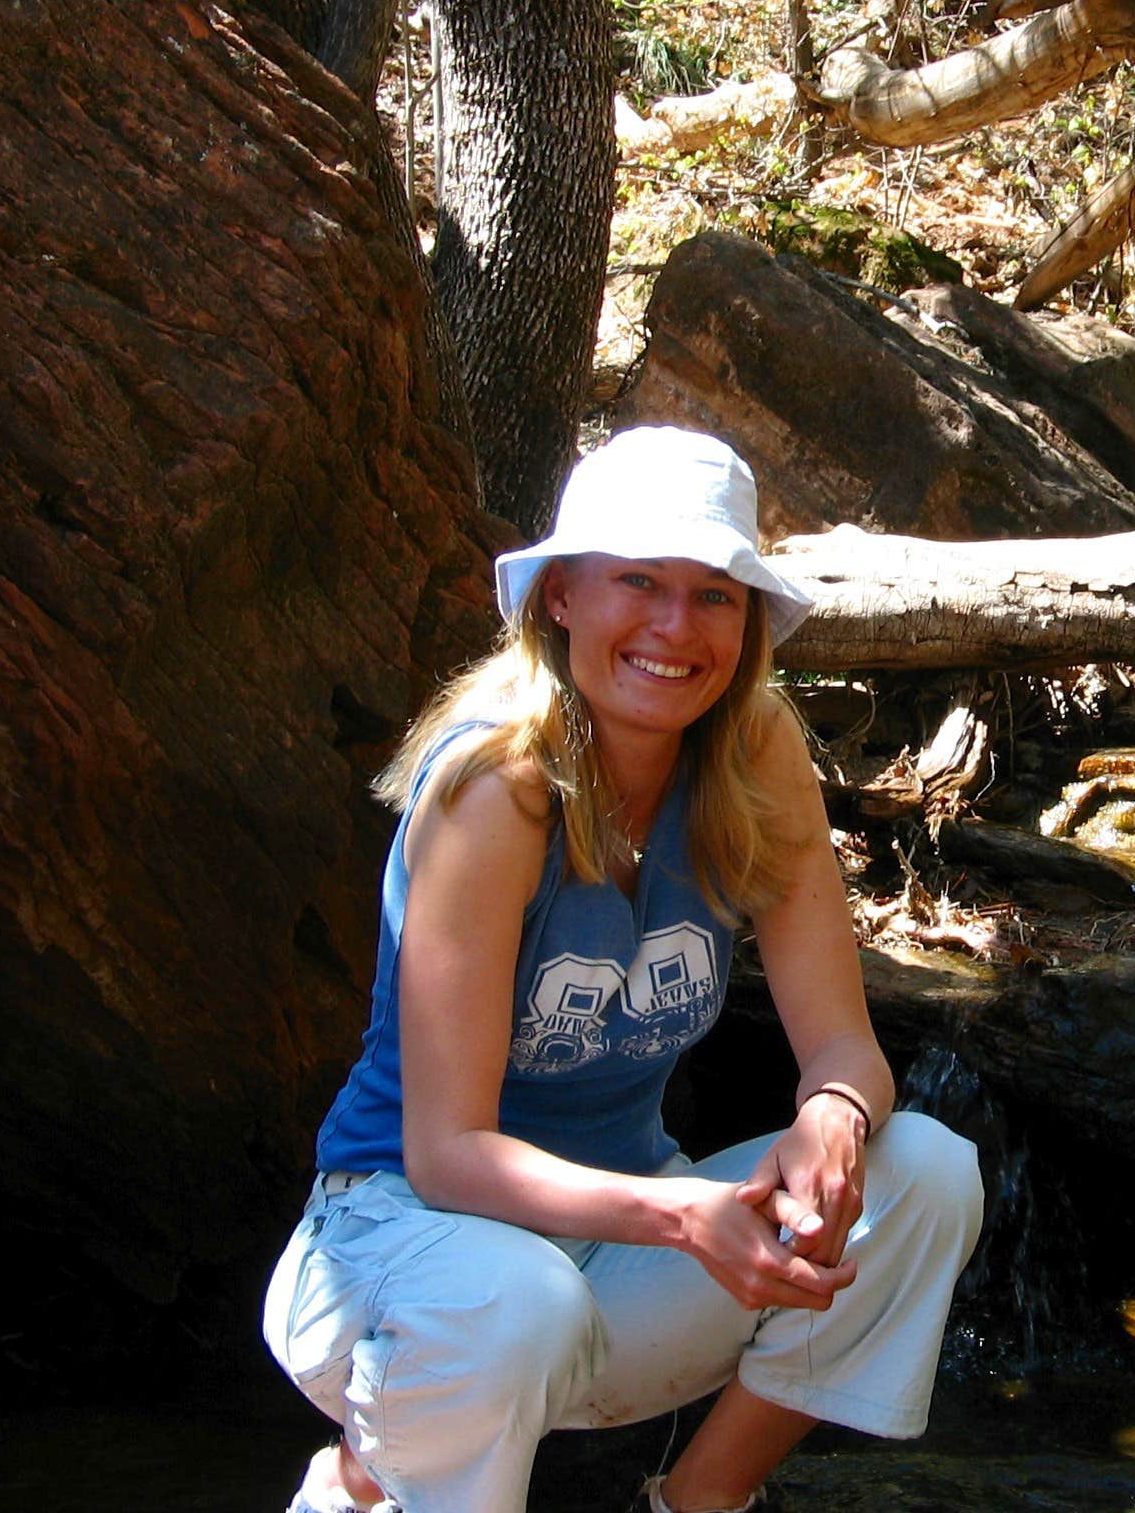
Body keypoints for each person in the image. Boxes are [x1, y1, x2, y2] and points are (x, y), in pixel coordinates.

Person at [263, 427, 984, 1513]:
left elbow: (844, 1046)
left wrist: (833, 1115)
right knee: (514, 1305)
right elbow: (448, 1154)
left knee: (924, 1174)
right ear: (558, 596)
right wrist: (683, 1218)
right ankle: (368, 1481)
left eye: (714, 596)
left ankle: (695, 1503)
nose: (673, 627)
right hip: (397, 1243)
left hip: (606, 1253)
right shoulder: (498, 787)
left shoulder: (755, 752)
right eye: (637, 582)